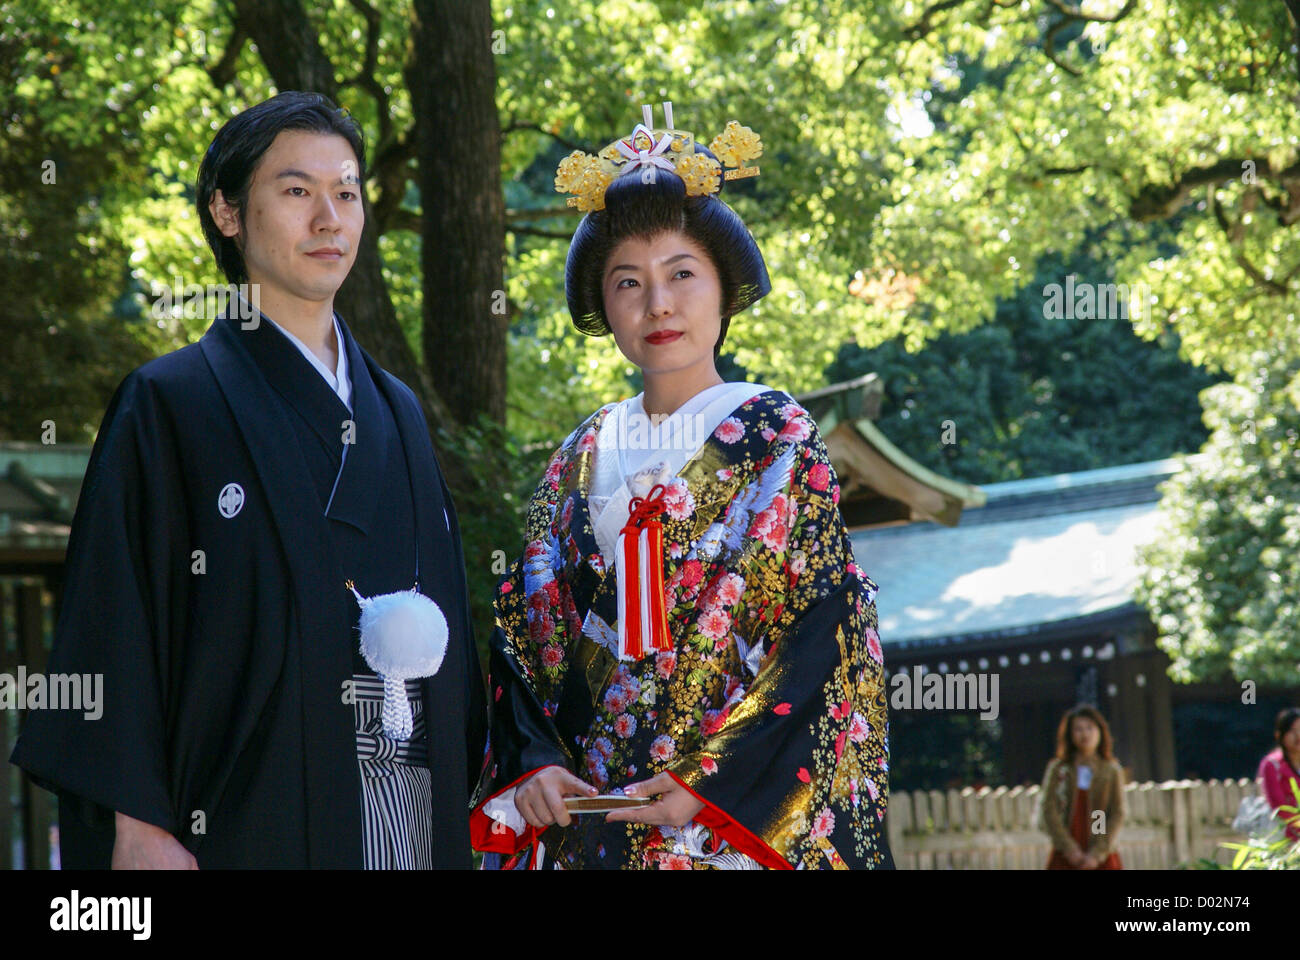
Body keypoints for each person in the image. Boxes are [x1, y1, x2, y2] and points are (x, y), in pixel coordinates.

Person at [9, 91, 486, 868]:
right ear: (227, 213)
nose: (329, 218)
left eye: (347, 193)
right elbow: (113, 621)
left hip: (403, 815)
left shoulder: (397, 410)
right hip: (239, 815)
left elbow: (454, 642)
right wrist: (136, 824)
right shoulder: (170, 403)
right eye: (297, 192)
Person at [468, 103, 891, 869]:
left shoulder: (777, 436)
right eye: (627, 282)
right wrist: (533, 764)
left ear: (726, 290)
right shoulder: (577, 456)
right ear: (604, 307)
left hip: (719, 819)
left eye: (681, 274)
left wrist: (707, 779)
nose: (657, 304)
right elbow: (520, 643)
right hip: (590, 812)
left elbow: (822, 631)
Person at [1040, 705, 1125, 869]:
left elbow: (1117, 812)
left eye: (1089, 728)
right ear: (1070, 735)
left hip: (1099, 844)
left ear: (1100, 731)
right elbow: (1048, 809)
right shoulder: (1059, 769)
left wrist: (1097, 852)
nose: (1085, 734)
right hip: (1067, 848)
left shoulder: (1110, 770)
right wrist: (1069, 848)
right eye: (1078, 729)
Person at [1256, 706, 1300, 843]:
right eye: (1292, 731)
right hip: (1285, 841)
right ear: (1279, 735)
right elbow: (1280, 807)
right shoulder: (1272, 765)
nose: (1298, 736)